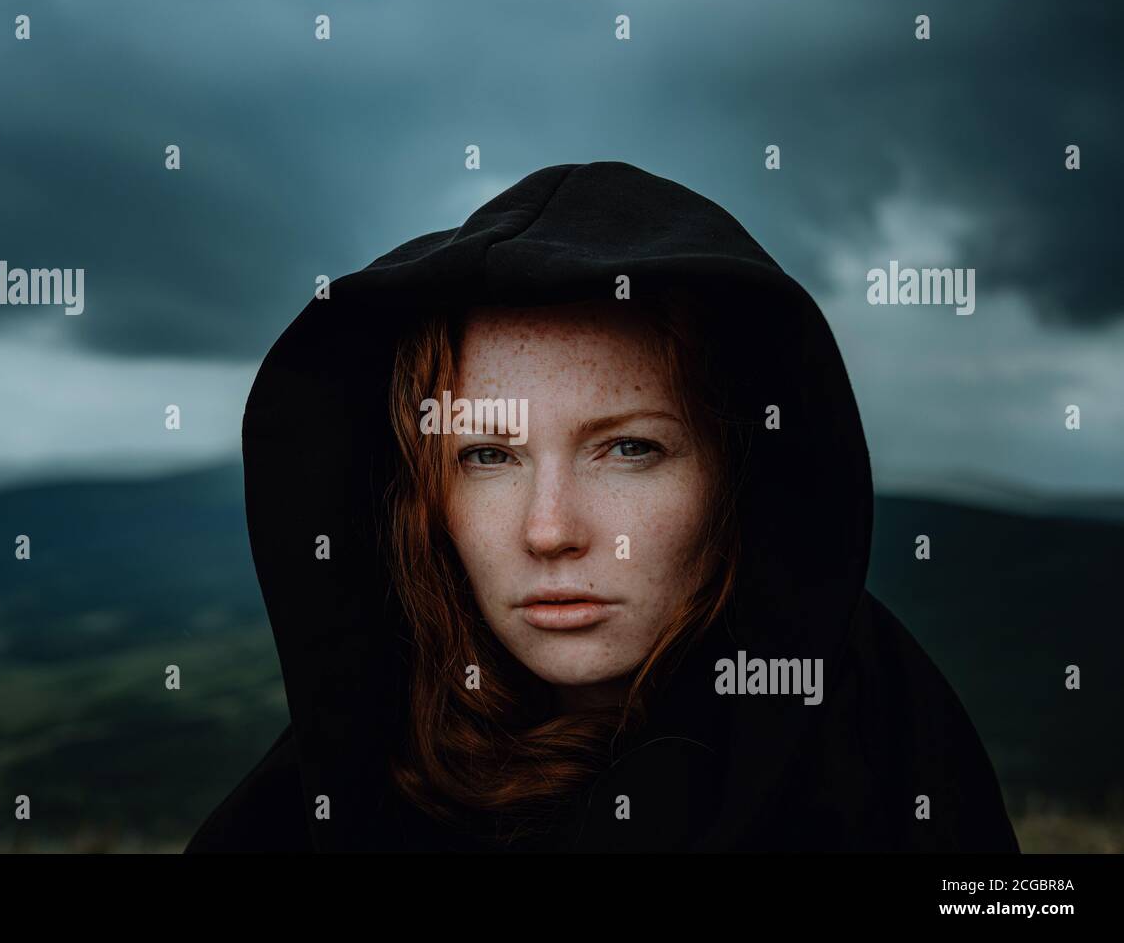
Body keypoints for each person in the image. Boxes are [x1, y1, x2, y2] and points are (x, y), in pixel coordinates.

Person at [186, 161, 1019, 852]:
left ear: (737, 476)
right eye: (487, 455)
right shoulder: (335, 789)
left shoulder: (890, 762)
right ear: (420, 493)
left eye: (630, 449)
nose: (549, 530)